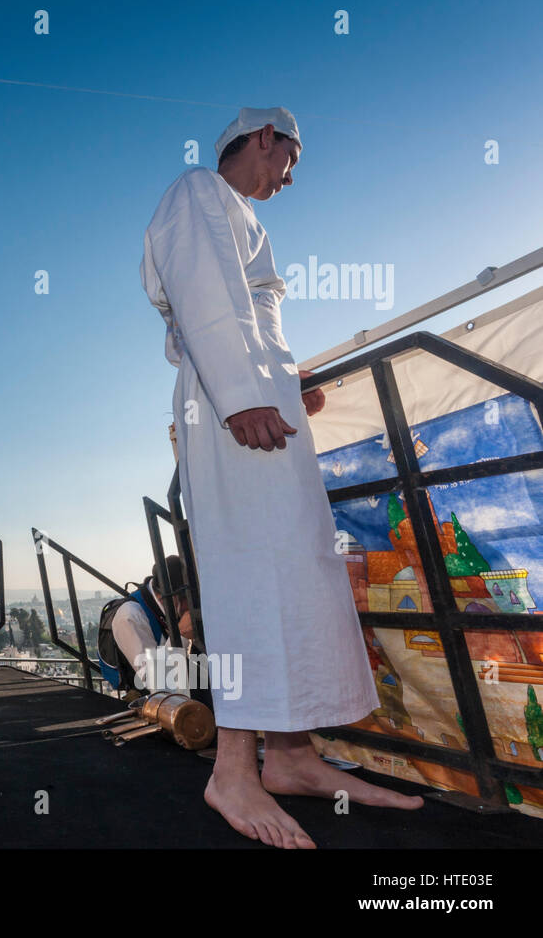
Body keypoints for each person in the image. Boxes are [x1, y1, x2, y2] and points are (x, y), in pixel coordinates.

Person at [140, 107, 423, 849]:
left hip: (262, 399)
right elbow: (203, 302)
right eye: (291, 160)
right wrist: (241, 396)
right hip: (230, 403)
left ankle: (294, 756)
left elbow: (252, 321)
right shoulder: (200, 190)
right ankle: (233, 769)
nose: (291, 178)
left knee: (297, 569)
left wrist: (285, 381)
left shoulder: (239, 216)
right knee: (249, 571)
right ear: (265, 136)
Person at [108, 554, 193, 695]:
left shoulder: (169, 609)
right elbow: (158, 683)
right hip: (150, 703)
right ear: (165, 595)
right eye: (184, 598)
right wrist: (181, 635)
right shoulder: (130, 616)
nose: (188, 605)